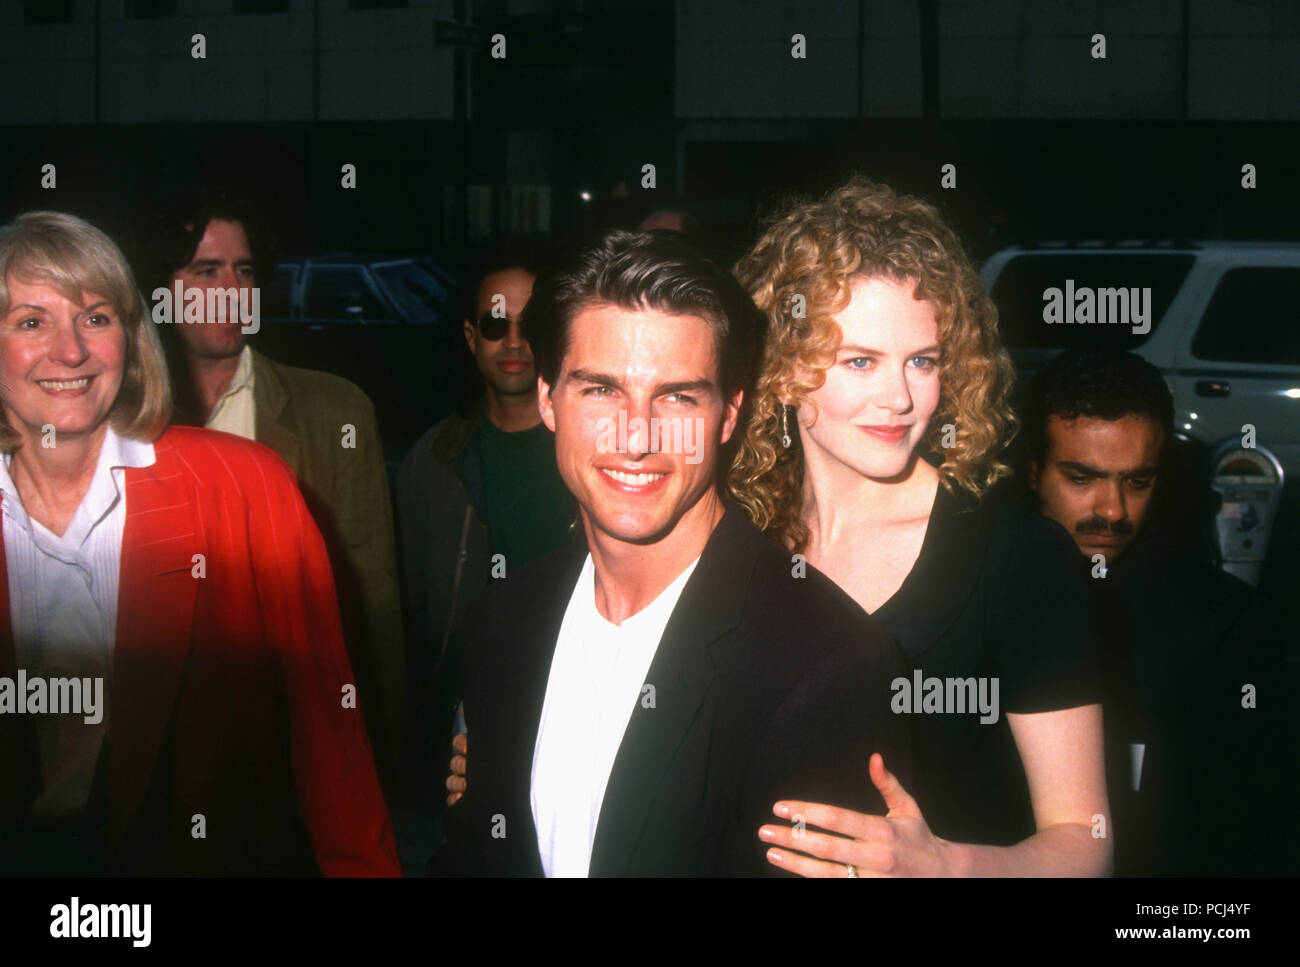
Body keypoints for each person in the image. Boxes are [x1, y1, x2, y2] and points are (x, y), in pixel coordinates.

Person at [430, 228, 910, 876]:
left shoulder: (826, 664)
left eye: (678, 397)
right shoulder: (498, 623)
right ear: (548, 398)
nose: (636, 436)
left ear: (729, 415)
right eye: (601, 390)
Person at [730, 178, 1111, 876]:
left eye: (923, 361)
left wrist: (944, 866)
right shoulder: (734, 542)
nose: (900, 397)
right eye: (860, 360)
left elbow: (1086, 843)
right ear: (782, 371)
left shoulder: (1020, 560)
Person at [0, 211, 398, 875]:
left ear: (131, 336)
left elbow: (332, 750)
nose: (70, 351)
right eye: (31, 320)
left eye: (96, 317)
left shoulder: (247, 485)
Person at [143, 190, 405, 791]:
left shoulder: (334, 410)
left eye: (244, 270)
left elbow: (373, 603)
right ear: (160, 288)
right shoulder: (125, 422)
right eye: (205, 271)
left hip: (291, 748)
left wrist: (379, 756)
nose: (230, 290)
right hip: (163, 753)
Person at [1023, 347, 1295, 875]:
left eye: (1136, 481)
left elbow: (1253, 834)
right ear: (1034, 472)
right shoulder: (981, 596)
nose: (1112, 510)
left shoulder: (1223, 627)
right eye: (1082, 478)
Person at [394, 238, 573, 868]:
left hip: (573, 704)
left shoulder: (601, 454)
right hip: (463, 727)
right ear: (471, 336)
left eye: (531, 325)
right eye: (497, 324)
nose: (514, 341)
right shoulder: (432, 462)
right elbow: (408, 613)